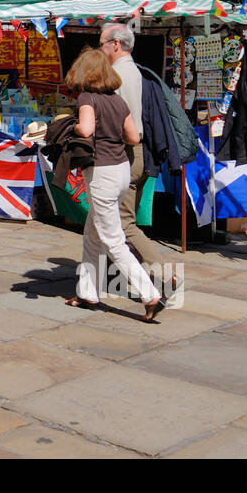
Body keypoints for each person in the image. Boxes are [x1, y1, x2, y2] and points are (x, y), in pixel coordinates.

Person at [63, 48, 163, 323]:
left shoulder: (87, 97)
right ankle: (87, 293)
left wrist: (68, 126)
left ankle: (150, 294)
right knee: (92, 234)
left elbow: (85, 129)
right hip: (121, 170)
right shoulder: (118, 101)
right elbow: (133, 136)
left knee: (113, 239)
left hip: (102, 173)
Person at [99, 23, 167, 273]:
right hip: (137, 154)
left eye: (102, 44)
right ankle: (114, 276)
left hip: (125, 154)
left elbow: (117, 123)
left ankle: (161, 271)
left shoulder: (117, 75)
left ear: (115, 44)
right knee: (111, 222)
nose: (101, 50)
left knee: (123, 223)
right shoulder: (137, 71)